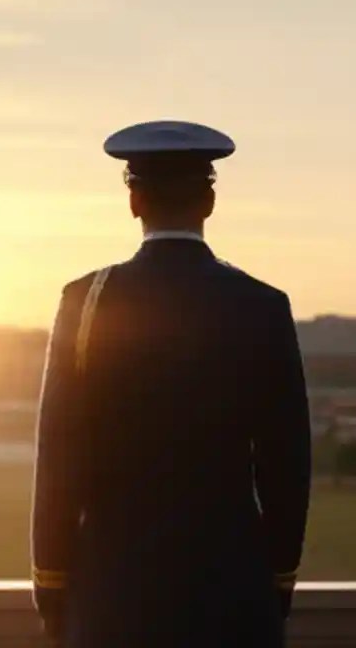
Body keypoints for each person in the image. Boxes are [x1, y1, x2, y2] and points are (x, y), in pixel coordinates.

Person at [31, 120, 312, 647]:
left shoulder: (86, 301)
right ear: (209, 202)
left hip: (113, 592)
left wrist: (52, 581)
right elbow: (286, 462)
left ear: (133, 201)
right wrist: (277, 579)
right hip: (232, 591)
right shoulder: (262, 304)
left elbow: (59, 455)